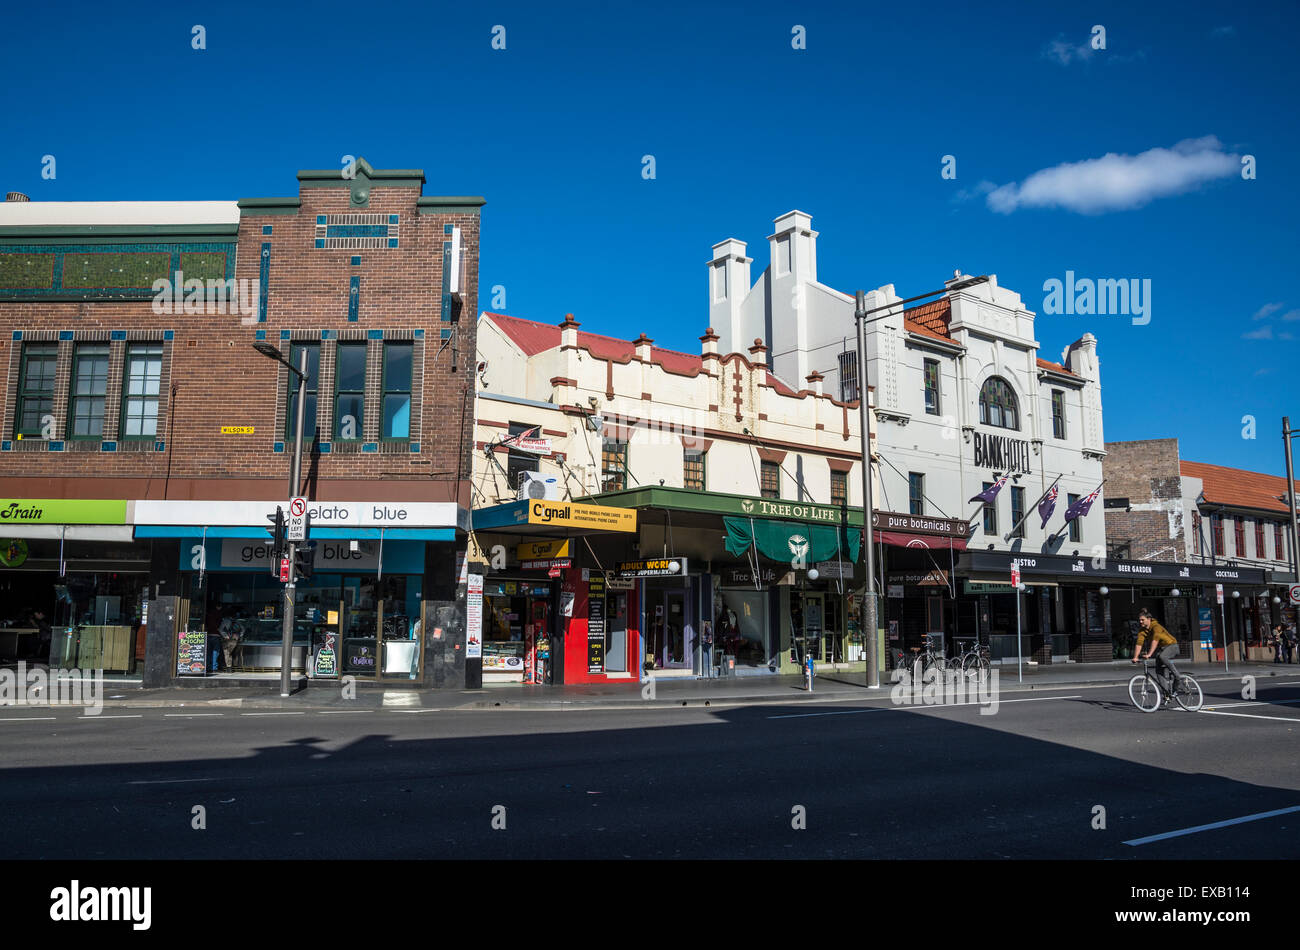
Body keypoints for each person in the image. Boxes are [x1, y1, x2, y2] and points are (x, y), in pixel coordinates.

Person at [1132, 608, 1182, 701]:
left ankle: (1177, 676)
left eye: (1142, 620)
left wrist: (1149, 654)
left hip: (1172, 646)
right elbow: (1139, 644)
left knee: (1162, 656)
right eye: (1139, 620)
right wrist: (1135, 657)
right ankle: (1167, 694)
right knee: (1159, 671)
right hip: (1162, 649)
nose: (1140, 621)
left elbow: (1155, 640)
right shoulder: (1142, 631)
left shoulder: (1156, 626)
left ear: (1149, 619)